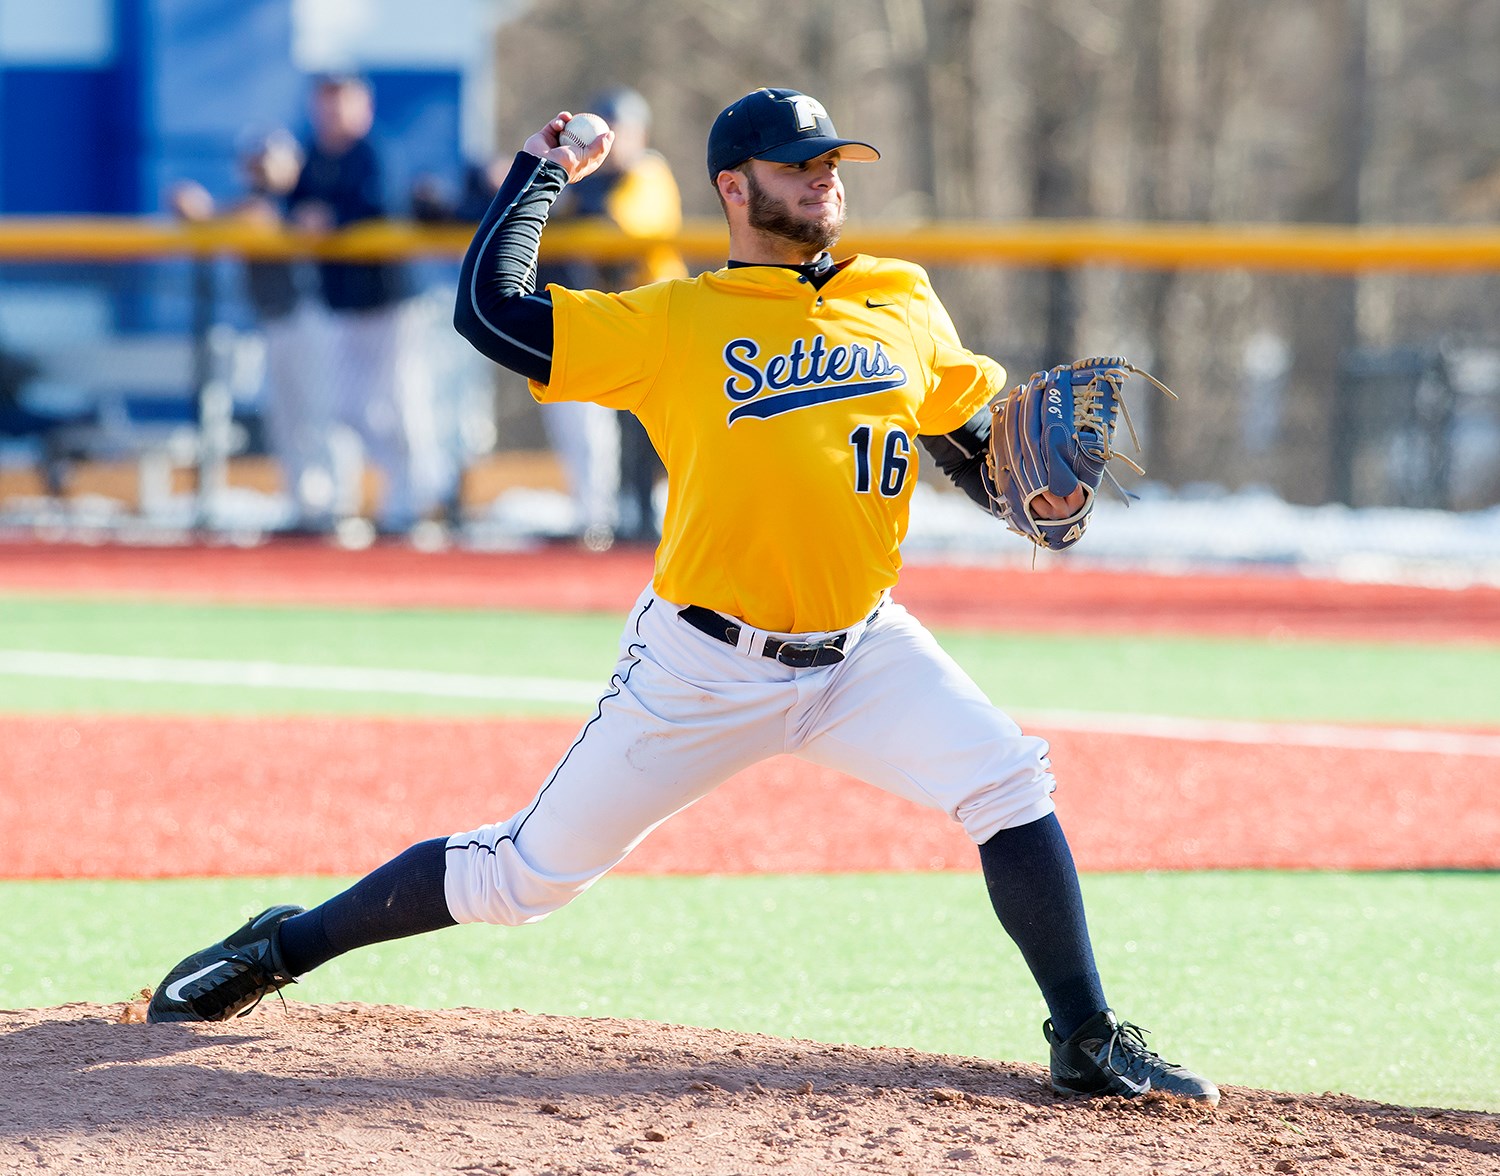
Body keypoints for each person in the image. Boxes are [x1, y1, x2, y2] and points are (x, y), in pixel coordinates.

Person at [145, 87, 1218, 1106]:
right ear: (733, 189)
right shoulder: (674, 322)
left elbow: (965, 442)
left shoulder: (900, 297)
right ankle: (281, 945)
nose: (824, 178)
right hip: (702, 666)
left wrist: (1027, 495)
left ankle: (1085, 1038)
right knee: (521, 880)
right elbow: (489, 312)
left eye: (832, 161)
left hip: (864, 652)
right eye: (796, 166)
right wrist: (540, 173)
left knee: (1007, 782)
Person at [286, 73, 448, 538]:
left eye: (342, 103)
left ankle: (418, 502)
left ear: (363, 107)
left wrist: (331, 218)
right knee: (344, 407)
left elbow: (380, 204)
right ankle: (403, 491)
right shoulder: (313, 156)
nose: (333, 113)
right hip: (341, 302)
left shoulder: (374, 152)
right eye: (326, 104)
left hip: (389, 300)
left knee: (401, 401)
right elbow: (292, 206)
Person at [532, 87, 687, 547]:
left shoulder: (648, 172)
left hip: (661, 312)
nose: (615, 139)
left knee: (651, 432)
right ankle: (624, 517)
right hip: (624, 315)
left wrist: (568, 201)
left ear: (641, 134)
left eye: (623, 129)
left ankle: (646, 518)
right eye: (610, 128)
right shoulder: (595, 181)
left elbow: (615, 225)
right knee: (619, 425)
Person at [169, 131, 344, 535]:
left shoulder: (307, 190)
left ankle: (336, 505)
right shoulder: (255, 198)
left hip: (316, 316)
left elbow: (260, 216)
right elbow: (235, 215)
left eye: (270, 159)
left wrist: (209, 211)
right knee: (285, 417)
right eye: (256, 160)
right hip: (276, 319)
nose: (262, 167)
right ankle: (304, 507)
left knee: (321, 413)